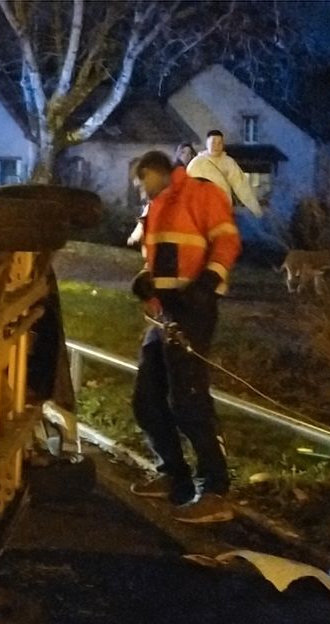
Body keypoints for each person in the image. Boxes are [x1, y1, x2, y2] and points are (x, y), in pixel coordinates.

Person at [128, 150, 240, 523]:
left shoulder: (198, 194)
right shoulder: (158, 207)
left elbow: (226, 240)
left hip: (194, 310)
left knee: (189, 400)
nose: (140, 191)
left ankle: (215, 489)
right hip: (165, 314)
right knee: (147, 398)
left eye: (140, 182)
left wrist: (207, 283)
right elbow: (162, 262)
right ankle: (173, 475)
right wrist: (149, 287)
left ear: (152, 172)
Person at [186, 130, 263, 217]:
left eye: (220, 143)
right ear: (207, 144)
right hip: (201, 211)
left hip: (223, 209)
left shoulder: (228, 162)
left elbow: (241, 186)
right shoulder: (196, 164)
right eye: (213, 142)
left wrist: (256, 210)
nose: (217, 146)